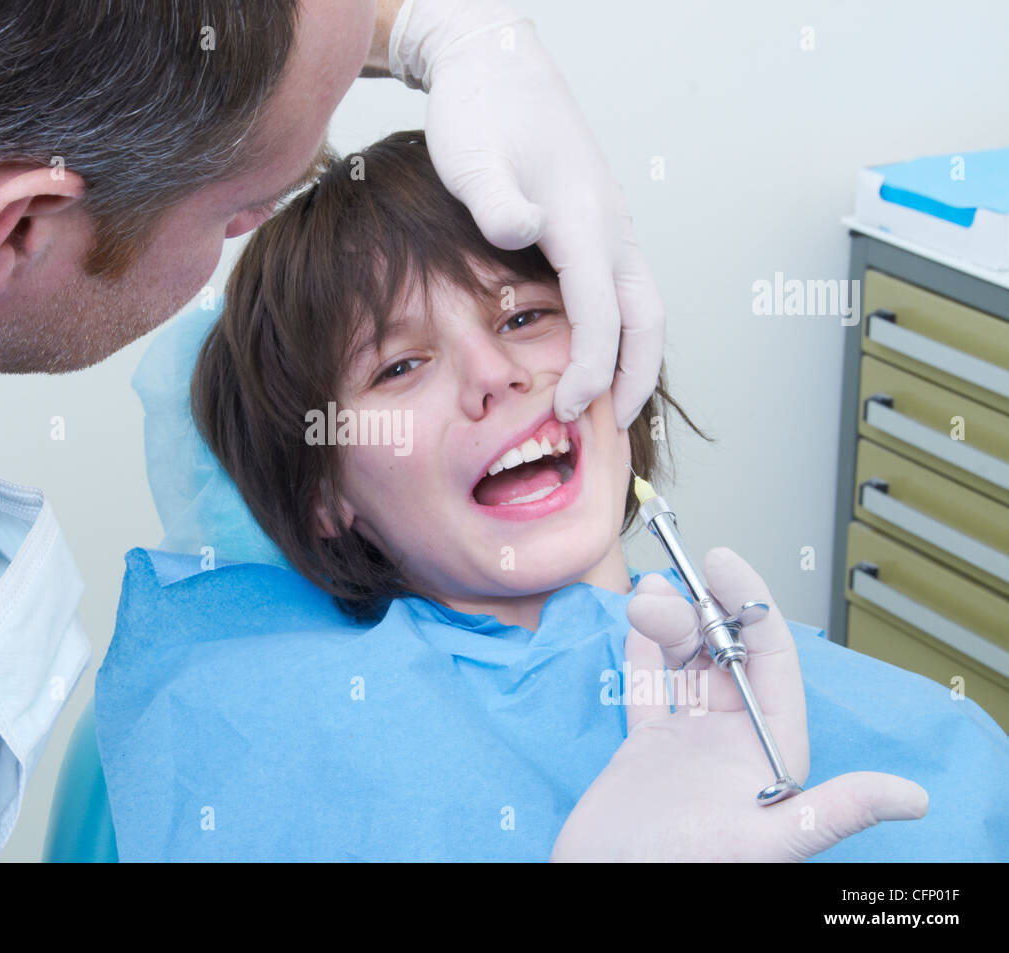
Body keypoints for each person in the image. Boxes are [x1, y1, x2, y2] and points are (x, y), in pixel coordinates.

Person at [0, 1, 664, 860]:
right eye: (242, 208)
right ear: (17, 231)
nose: (498, 377)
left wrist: (427, 29)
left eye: (524, 316)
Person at [94, 131, 1008, 861]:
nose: (494, 375)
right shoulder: (267, 731)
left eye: (525, 316)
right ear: (327, 494)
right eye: (400, 364)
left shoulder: (926, 729)